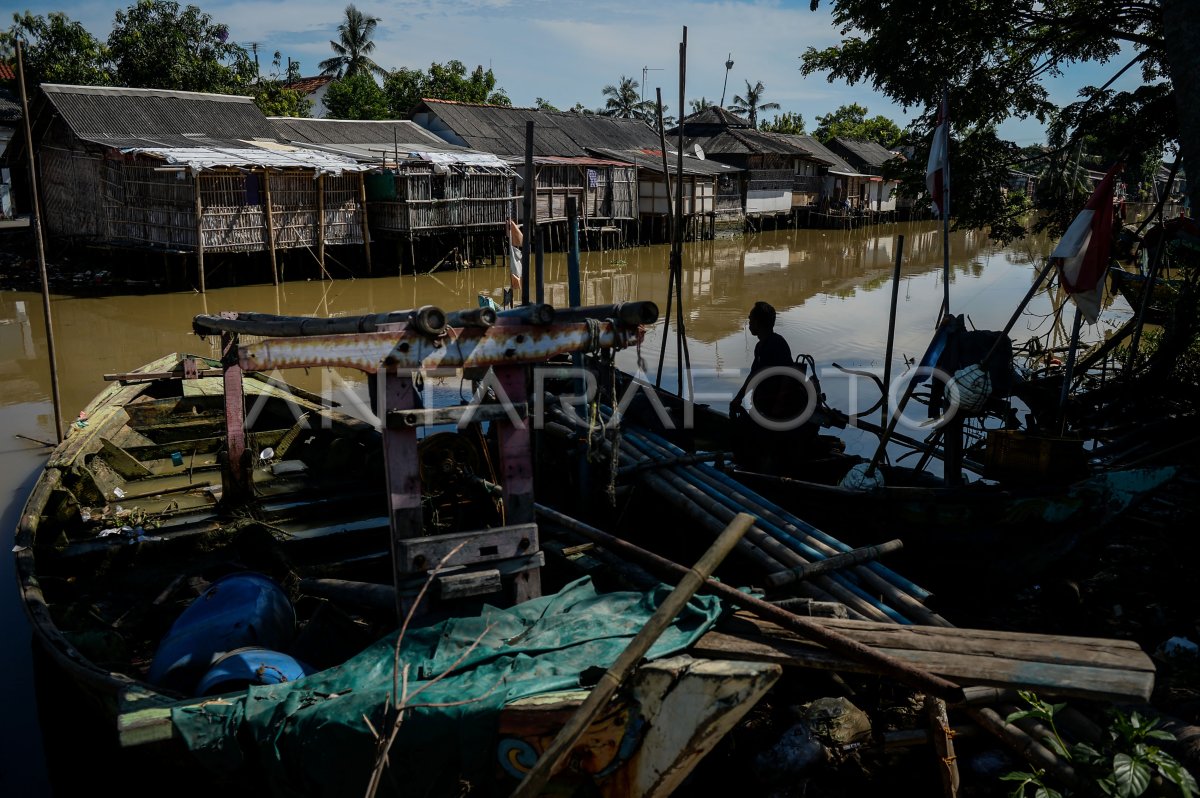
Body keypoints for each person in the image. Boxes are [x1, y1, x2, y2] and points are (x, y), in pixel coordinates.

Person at [730, 301, 793, 422]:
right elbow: (753, 375)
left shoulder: (777, 343)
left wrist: (778, 406)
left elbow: (788, 375)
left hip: (773, 408)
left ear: (758, 323)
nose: (749, 324)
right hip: (762, 404)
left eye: (750, 320)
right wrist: (738, 398)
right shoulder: (760, 346)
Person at [506, 219, 523, 305]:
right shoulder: (515, 251)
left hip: (515, 269)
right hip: (515, 268)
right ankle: (511, 303)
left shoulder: (515, 252)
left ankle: (512, 303)